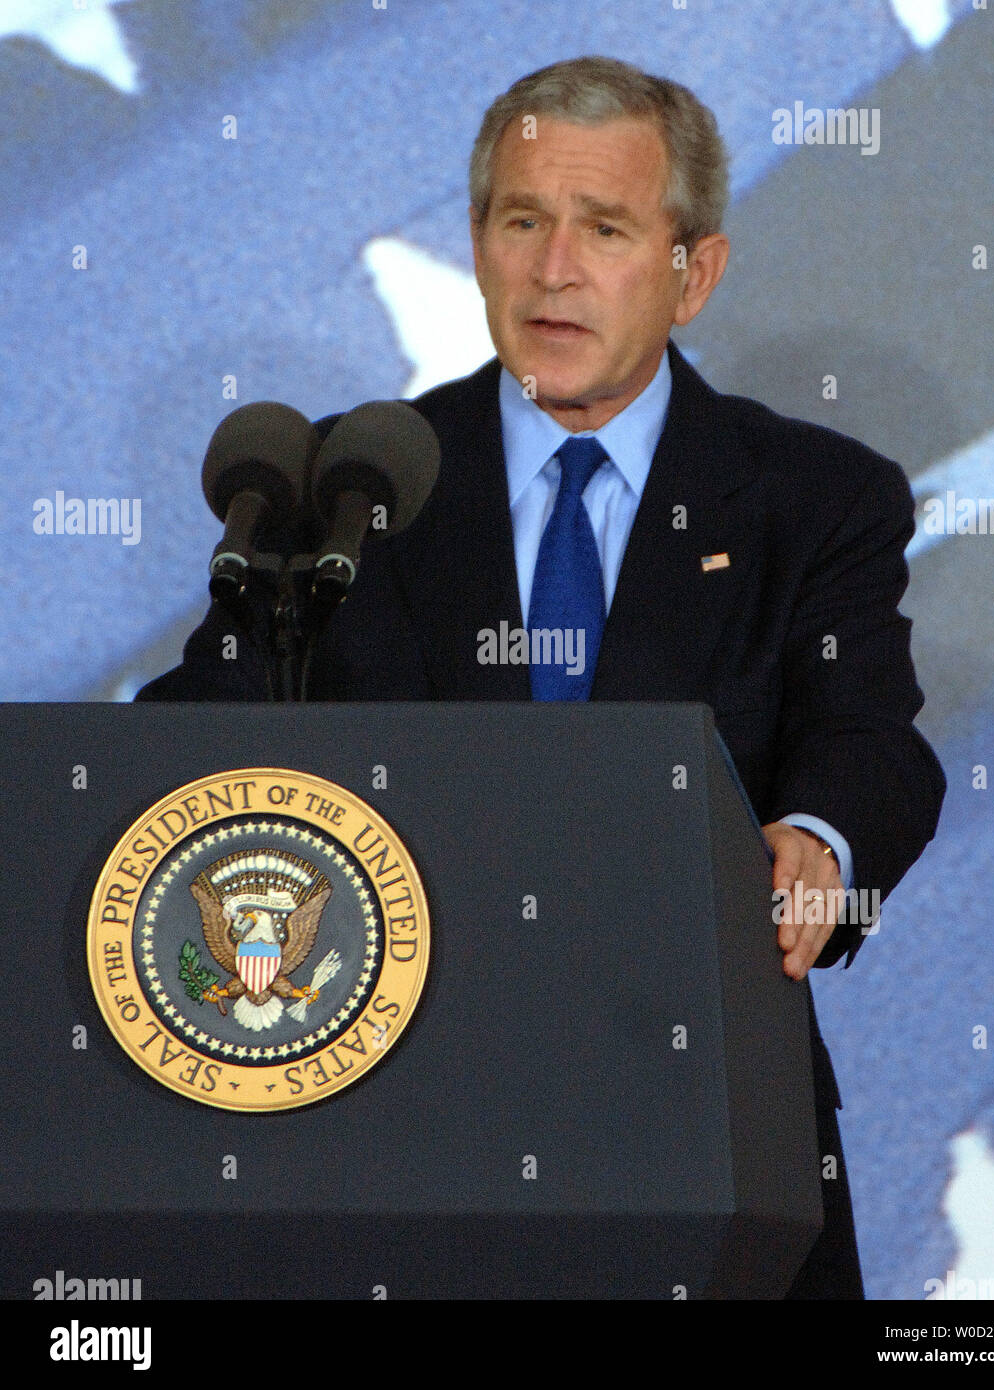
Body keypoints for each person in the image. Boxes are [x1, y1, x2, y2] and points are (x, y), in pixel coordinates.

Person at [138, 55, 946, 1298]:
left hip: (703, 1129)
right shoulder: (349, 484)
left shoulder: (814, 498)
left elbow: (873, 739)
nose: (553, 268)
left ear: (696, 272)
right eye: (522, 220)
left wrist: (822, 844)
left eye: (606, 228)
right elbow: (191, 740)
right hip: (389, 1143)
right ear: (477, 243)